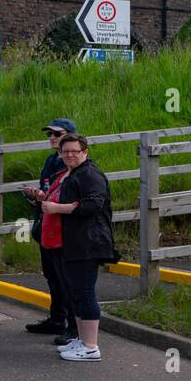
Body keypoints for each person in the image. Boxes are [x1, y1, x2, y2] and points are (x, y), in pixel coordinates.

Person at [42, 134, 117, 362]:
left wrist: (57, 208)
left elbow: (94, 205)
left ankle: (91, 346)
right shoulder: (74, 173)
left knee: (85, 293)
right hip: (74, 242)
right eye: (66, 152)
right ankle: (81, 339)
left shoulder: (90, 174)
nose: (70, 155)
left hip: (89, 243)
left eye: (75, 151)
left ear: (85, 152)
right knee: (75, 293)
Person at [22, 118, 77, 340]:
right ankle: (56, 319)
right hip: (45, 225)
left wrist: (53, 203)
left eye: (58, 134)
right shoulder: (50, 160)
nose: (52, 138)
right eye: (50, 134)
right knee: (52, 276)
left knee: (66, 279)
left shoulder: (72, 164)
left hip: (64, 230)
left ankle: (73, 328)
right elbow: (48, 190)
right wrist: (37, 197)